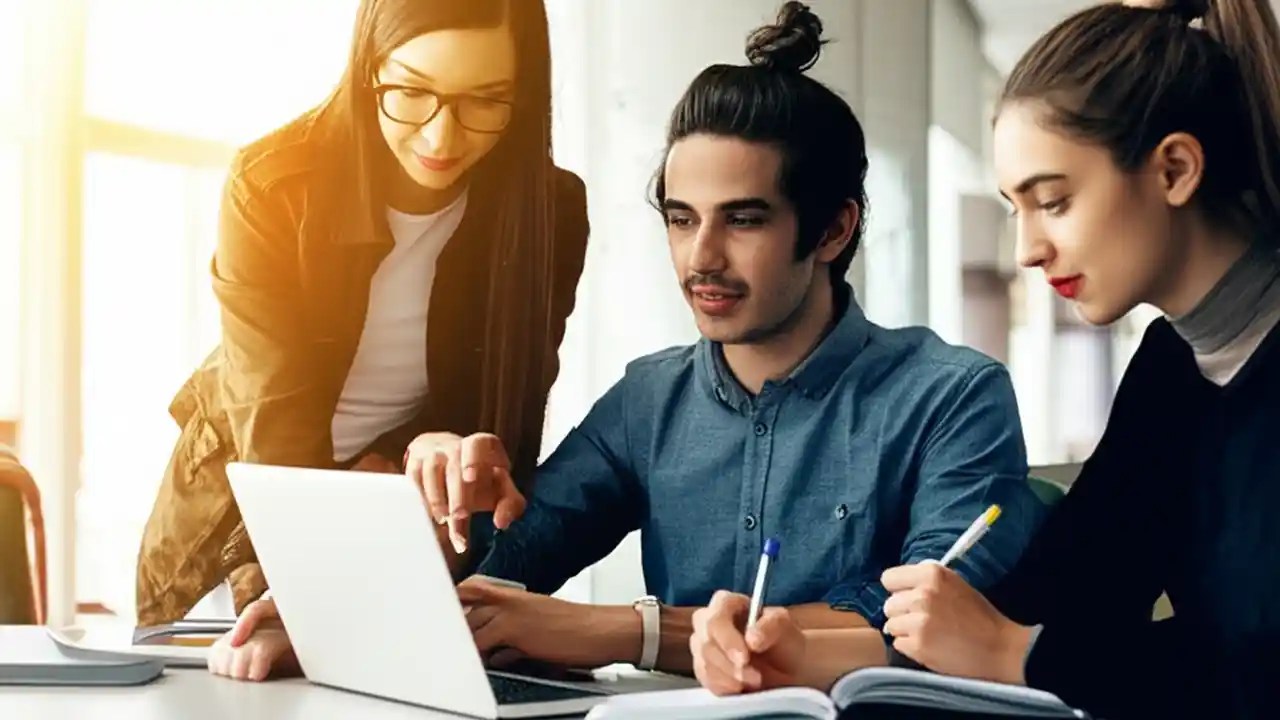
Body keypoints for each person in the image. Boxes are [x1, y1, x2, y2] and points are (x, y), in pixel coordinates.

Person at [691, 1, 1280, 717]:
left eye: (1053, 201)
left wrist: (1016, 654)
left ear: (1176, 169)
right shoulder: (1172, 366)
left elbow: (1252, 669)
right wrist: (808, 650)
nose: (1027, 250)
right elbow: (1075, 589)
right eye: (1014, 209)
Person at [137, 0, 588, 631]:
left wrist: (410, 454)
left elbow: (504, 418)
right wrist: (303, 591)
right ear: (368, 67)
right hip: (243, 524)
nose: (441, 137)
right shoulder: (274, 184)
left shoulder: (549, 211)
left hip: (408, 530)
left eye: (485, 101)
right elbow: (272, 429)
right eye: (411, 92)